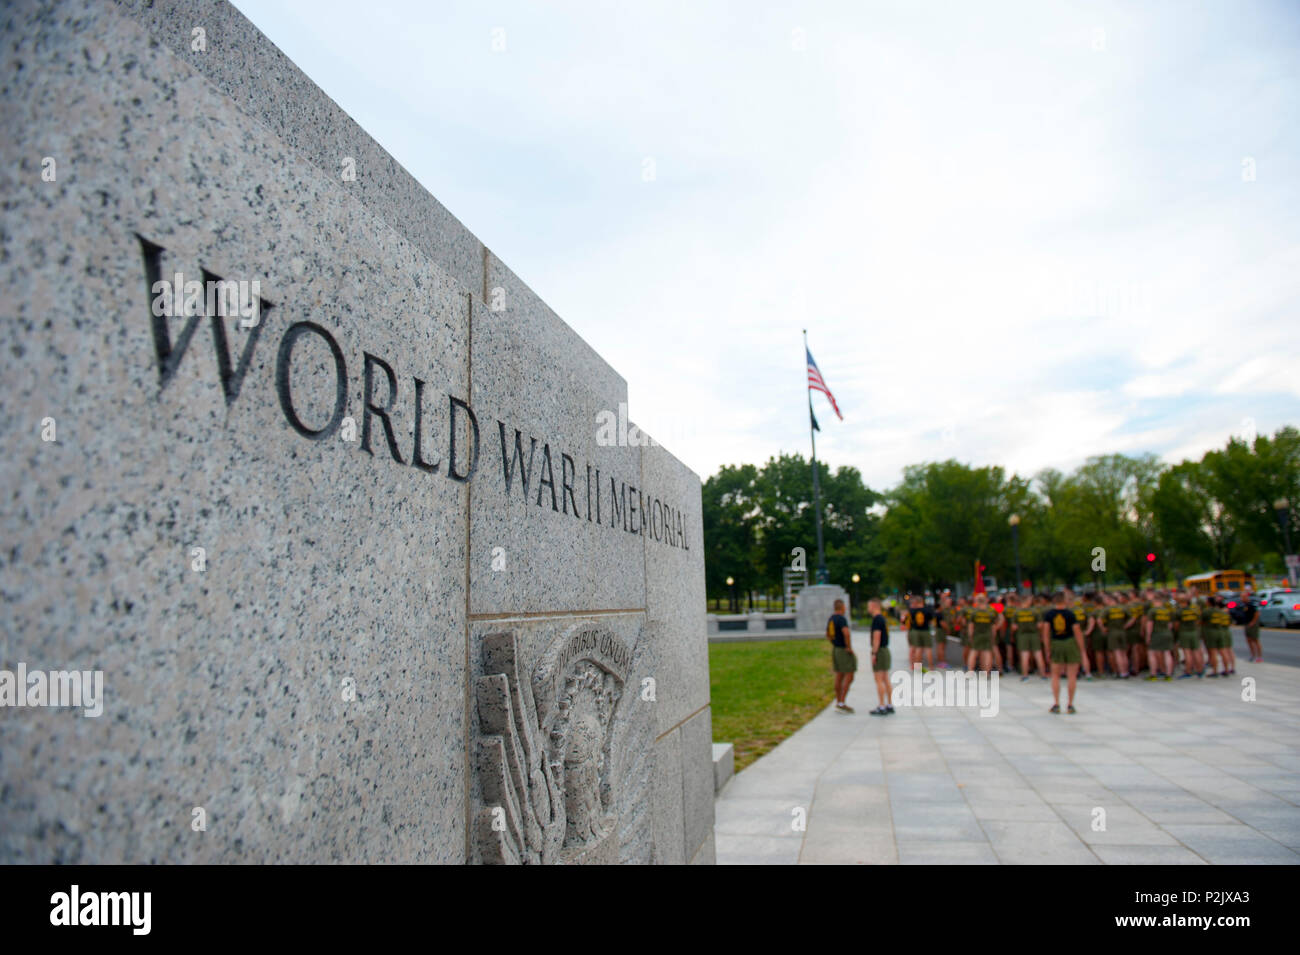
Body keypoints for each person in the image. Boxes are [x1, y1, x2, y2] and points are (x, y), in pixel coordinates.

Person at [1043, 590, 1089, 713]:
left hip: (1056, 644)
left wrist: (1047, 649)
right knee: (1072, 676)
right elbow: (1077, 632)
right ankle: (1070, 704)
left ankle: (1056, 703)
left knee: (1055, 676)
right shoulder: (1070, 614)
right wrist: (1081, 649)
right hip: (1070, 643)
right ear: (1064, 600)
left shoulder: (1049, 614)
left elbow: (1046, 633)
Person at [826, 598, 856, 713]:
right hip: (843, 650)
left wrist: (834, 643)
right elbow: (846, 633)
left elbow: (828, 635)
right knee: (849, 674)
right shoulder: (841, 619)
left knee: (839, 675)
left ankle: (838, 701)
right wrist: (848, 647)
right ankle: (842, 702)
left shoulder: (831, 619)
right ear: (842, 607)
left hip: (836, 649)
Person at [1009, 592, 1046, 681]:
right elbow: (1040, 625)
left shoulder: (1016, 612)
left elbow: (1013, 627)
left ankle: (1025, 675)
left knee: (1024, 655)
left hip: (1022, 635)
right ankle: (1043, 675)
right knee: (1038, 654)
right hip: (1034, 635)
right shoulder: (1034, 611)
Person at [867, 598, 894, 716]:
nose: (868, 608)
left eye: (869, 606)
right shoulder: (882, 618)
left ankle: (882, 705)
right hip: (885, 650)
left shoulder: (877, 619)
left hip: (880, 651)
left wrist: (874, 653)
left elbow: (876, 637)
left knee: (879, 679)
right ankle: (890, 704)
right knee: (885, 679)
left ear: (873, 606)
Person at [967, 593, 1002, 673]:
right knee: (987, 653)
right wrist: (994, 635)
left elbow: (970, 627)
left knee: (973, 653)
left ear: (977, 601)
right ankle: (986, 673)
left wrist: (970, 636)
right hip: (988, 635)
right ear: (986, 600)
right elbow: (995, 625)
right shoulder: (990, 612)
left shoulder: (974, 612)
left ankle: (970, 672)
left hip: (977, 635)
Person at [1145, 590, 1175, 681]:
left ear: (1155, 601)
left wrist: (1148, 636)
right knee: (1167, 653)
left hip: (1156, 634)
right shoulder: (1167, 611)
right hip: (1167, 633)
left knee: (1152, 653)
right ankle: (1168, 675)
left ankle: (1153, 674)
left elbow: (1150, 625)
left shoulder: (1152, 611)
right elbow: (1170, 625)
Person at [1101, 593, 1131, 678]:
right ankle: (1126, 671)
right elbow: (1132, 618)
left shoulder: (1107, 609)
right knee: (1124, 654)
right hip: (1122, 631)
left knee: (1117, 653)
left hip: (1112, 632)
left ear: (1111, 600)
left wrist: (1103, 628)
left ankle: (1120, 672)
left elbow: (1099, 620)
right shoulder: (1123, 608)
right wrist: (1126, 625)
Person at [1175, 590, 1204, 678]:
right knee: (1196, 651)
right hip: (1194, 632)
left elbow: (1176, 625)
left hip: (1184, 633)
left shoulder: (1179, 611)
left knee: (1187, 653)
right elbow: (1199, 621)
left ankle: (1188, 671)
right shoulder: (1194, 610)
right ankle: (1200, 670)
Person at [904, 594, 936, 672]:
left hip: (915, 631)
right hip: (925, 630)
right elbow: (932, 621)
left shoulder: (912, 611)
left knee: (918, 649)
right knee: (928, 649)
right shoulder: (928, 610)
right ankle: (931, 667)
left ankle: (918, 667)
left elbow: (907, 622)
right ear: (922, 601)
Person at [1241, 586, 1263, 663]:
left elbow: (1257, 613)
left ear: (1246, 597)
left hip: (1252, 624)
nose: (1241, 599)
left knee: (1255, 639)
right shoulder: (1244, 605)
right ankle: (1252, 655)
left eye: (1243, 597)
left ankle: (1259, 656)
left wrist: (1253, 622)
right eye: (1241, 597)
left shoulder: (1252, 604)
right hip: (1247, 623)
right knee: (1249, 640)